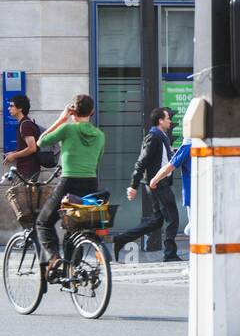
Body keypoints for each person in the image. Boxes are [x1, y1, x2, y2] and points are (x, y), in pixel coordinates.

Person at [35, 95, 105, 278]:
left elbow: (41, 142)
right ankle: (72, 272)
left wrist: (61, 118)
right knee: (77, 227)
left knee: (43, 222)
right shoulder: (100, 135)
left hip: (69, 182)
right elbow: (97, 161)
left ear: (73, 111)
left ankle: (54, 258)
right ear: (92, 112)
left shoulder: (67, 128)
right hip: (91, 184)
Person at [113, 108, 181, 264]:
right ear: (160, 121)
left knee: (157, 220)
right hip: (156, 183)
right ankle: (170, 253)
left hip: (160, 182)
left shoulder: (162, 137)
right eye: (167, 118)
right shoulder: (153, 138)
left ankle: (121, 239)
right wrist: (133, 185)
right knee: (173, 217)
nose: (170, 121)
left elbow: (163, 158)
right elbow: (141, 162)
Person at [150, 138, 192, 239]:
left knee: (192, 230)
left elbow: (168, 168)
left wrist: (154, 180)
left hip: (193, 197)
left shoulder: (187, 147)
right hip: (209, 196)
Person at [3, 92, 41, 180]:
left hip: (28, 170)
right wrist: (14, 152)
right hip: (26, 169)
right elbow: (27, 147)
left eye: (11, 106)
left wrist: (14, 156)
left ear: (20, 108)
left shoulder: (25, 125)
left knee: (22, 193)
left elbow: (32, 148)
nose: (9, 108)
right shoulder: (23, 123)